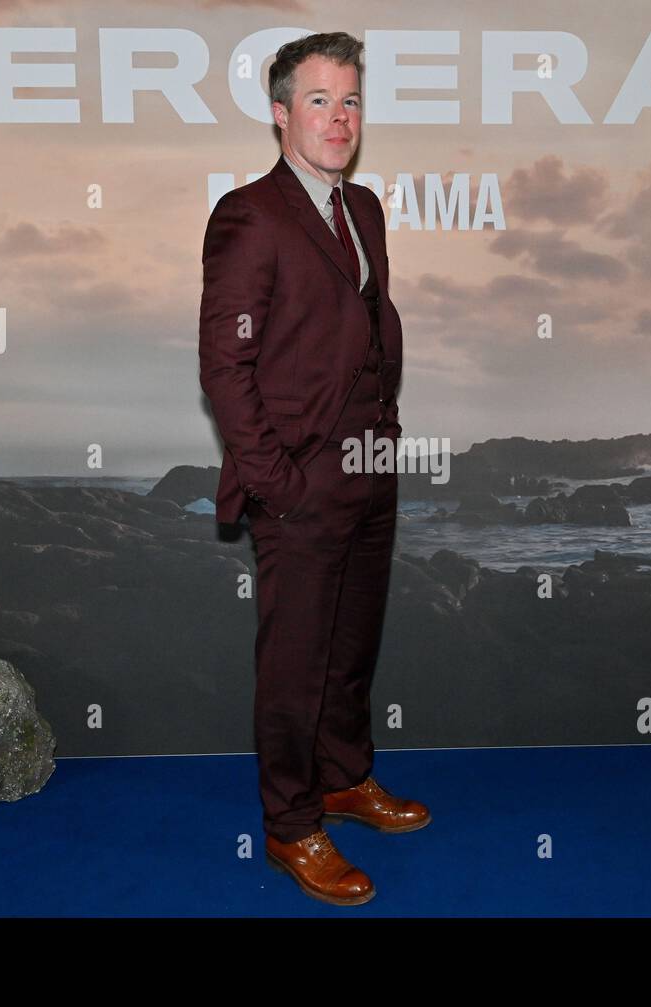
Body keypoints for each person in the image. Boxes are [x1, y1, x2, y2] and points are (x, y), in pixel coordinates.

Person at [197, 31, 429, 907]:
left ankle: (343, 779)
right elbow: (226, 367)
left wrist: (385, 437)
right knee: (294, 663)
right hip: (300, 482)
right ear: (281, 113)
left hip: (370, 467)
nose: (340, 119)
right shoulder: (249, 215)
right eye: (321, 101)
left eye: (352, 101)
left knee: (350, 647)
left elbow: (365, 332)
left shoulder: (362, 207)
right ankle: (293, 826)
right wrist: (279, 486)